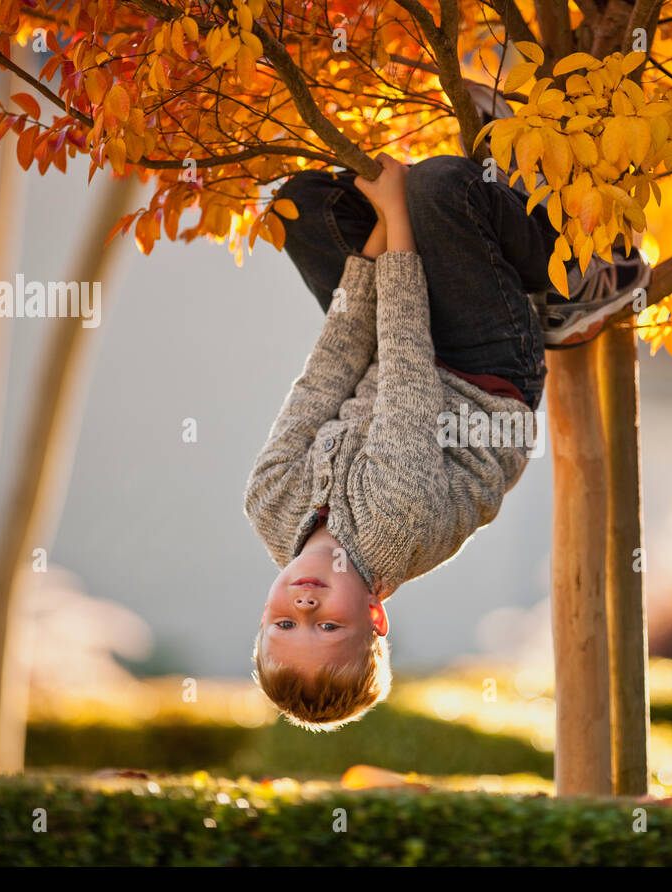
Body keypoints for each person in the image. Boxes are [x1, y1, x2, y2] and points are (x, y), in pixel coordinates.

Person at [244, 149, 645, 730]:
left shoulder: (269, 504)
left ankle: (484, 247)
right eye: (329, 626)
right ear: (376, 617)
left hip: (397, 343)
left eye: (286, 625)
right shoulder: (397, 524)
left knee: (296, 205)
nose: (305, 607)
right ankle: (571, 273)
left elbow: (329, 370)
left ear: (264, 614)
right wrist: (399, 209)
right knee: (439, 188)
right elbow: (409, 364)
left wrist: (380, 225)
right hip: (480, 367)